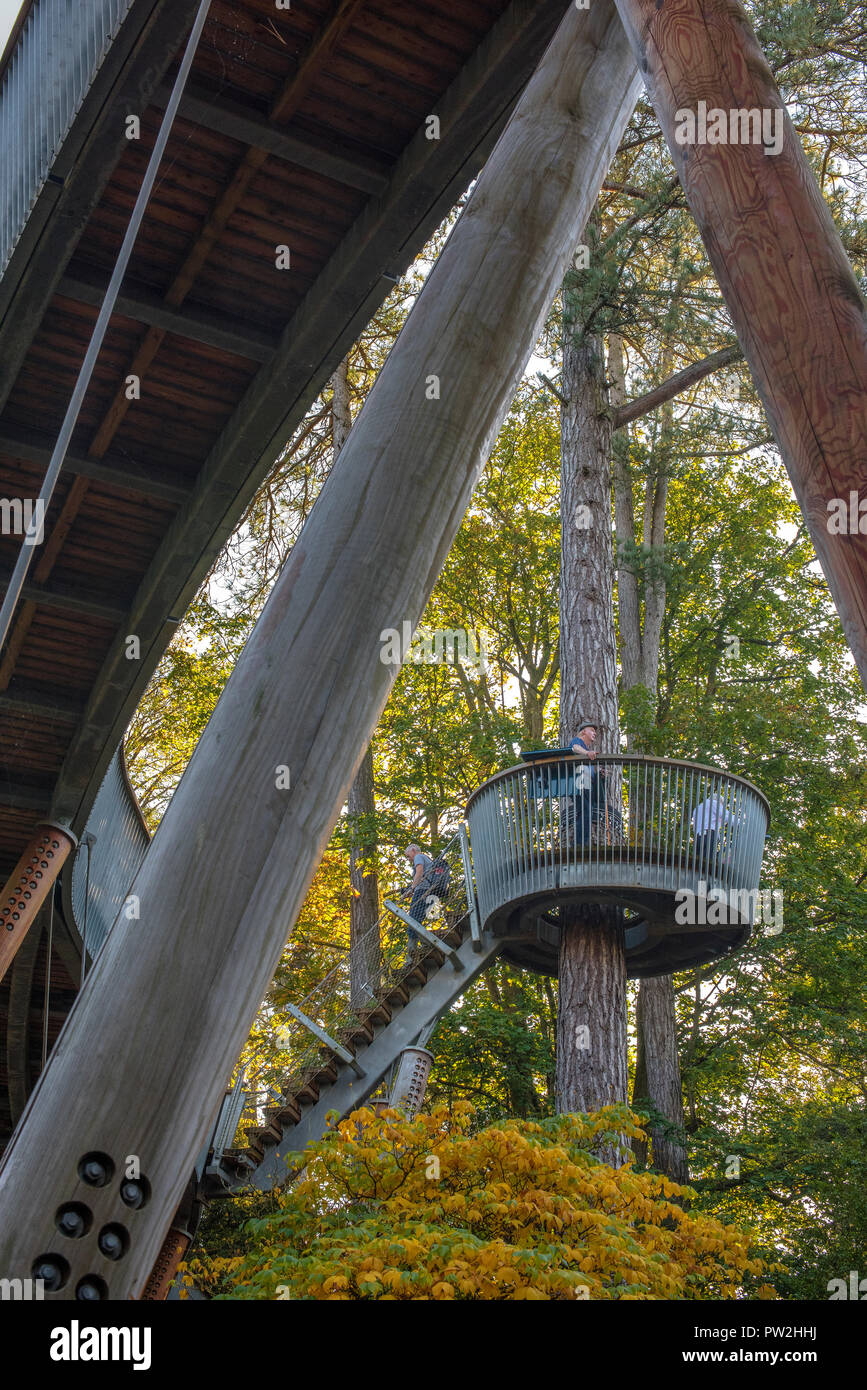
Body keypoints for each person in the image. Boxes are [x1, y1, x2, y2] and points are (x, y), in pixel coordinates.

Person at [566, 719, 598, 846]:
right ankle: (579, 843)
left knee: (587, 811)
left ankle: (583, 842)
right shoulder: (578, 741)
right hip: (578, 783)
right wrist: (587, 753)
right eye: (592, 730)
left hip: (586, 784)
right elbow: (574, 748)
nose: (594, 733)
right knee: (584, 811)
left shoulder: (585, 749)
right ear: (584, 731)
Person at [401, 843, 434, 955]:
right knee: (416, 922)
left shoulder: (419, 857)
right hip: (427, 892)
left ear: (413, 850)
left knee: (412, 923)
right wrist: (410, 890)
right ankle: (423, 947)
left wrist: (413, 888)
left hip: (422, 892)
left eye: (408, 856)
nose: (408, 859)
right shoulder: (427, 858)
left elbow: (419, 872)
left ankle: (419, 950)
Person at [691, 792, 728, 872]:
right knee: (707, 862)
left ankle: (700, 882)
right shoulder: (714, 804)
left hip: (698, 837)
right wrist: (741, 823)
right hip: (709, 835)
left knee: (699, 863)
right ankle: (704, 881)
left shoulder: (698, 808)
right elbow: (727, 817)